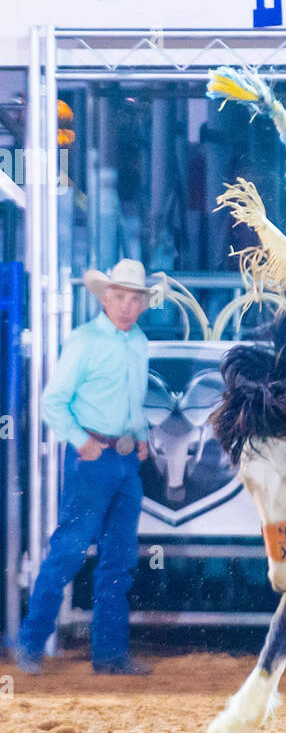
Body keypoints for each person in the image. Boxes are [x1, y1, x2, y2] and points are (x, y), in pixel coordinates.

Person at [14, 259, 154, 675]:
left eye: (134, 299)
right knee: (70, 552)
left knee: (118, 559)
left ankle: (109, 655)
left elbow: (134, 400)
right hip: (92, 458)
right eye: (119, 297)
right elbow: (51, 402)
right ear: (105, 298)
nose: (126, 306)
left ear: (142, 304)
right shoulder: (85, 340)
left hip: (124, 460)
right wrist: (82, 441)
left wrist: (140, 433)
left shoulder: (138, 341)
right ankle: (30, 644)